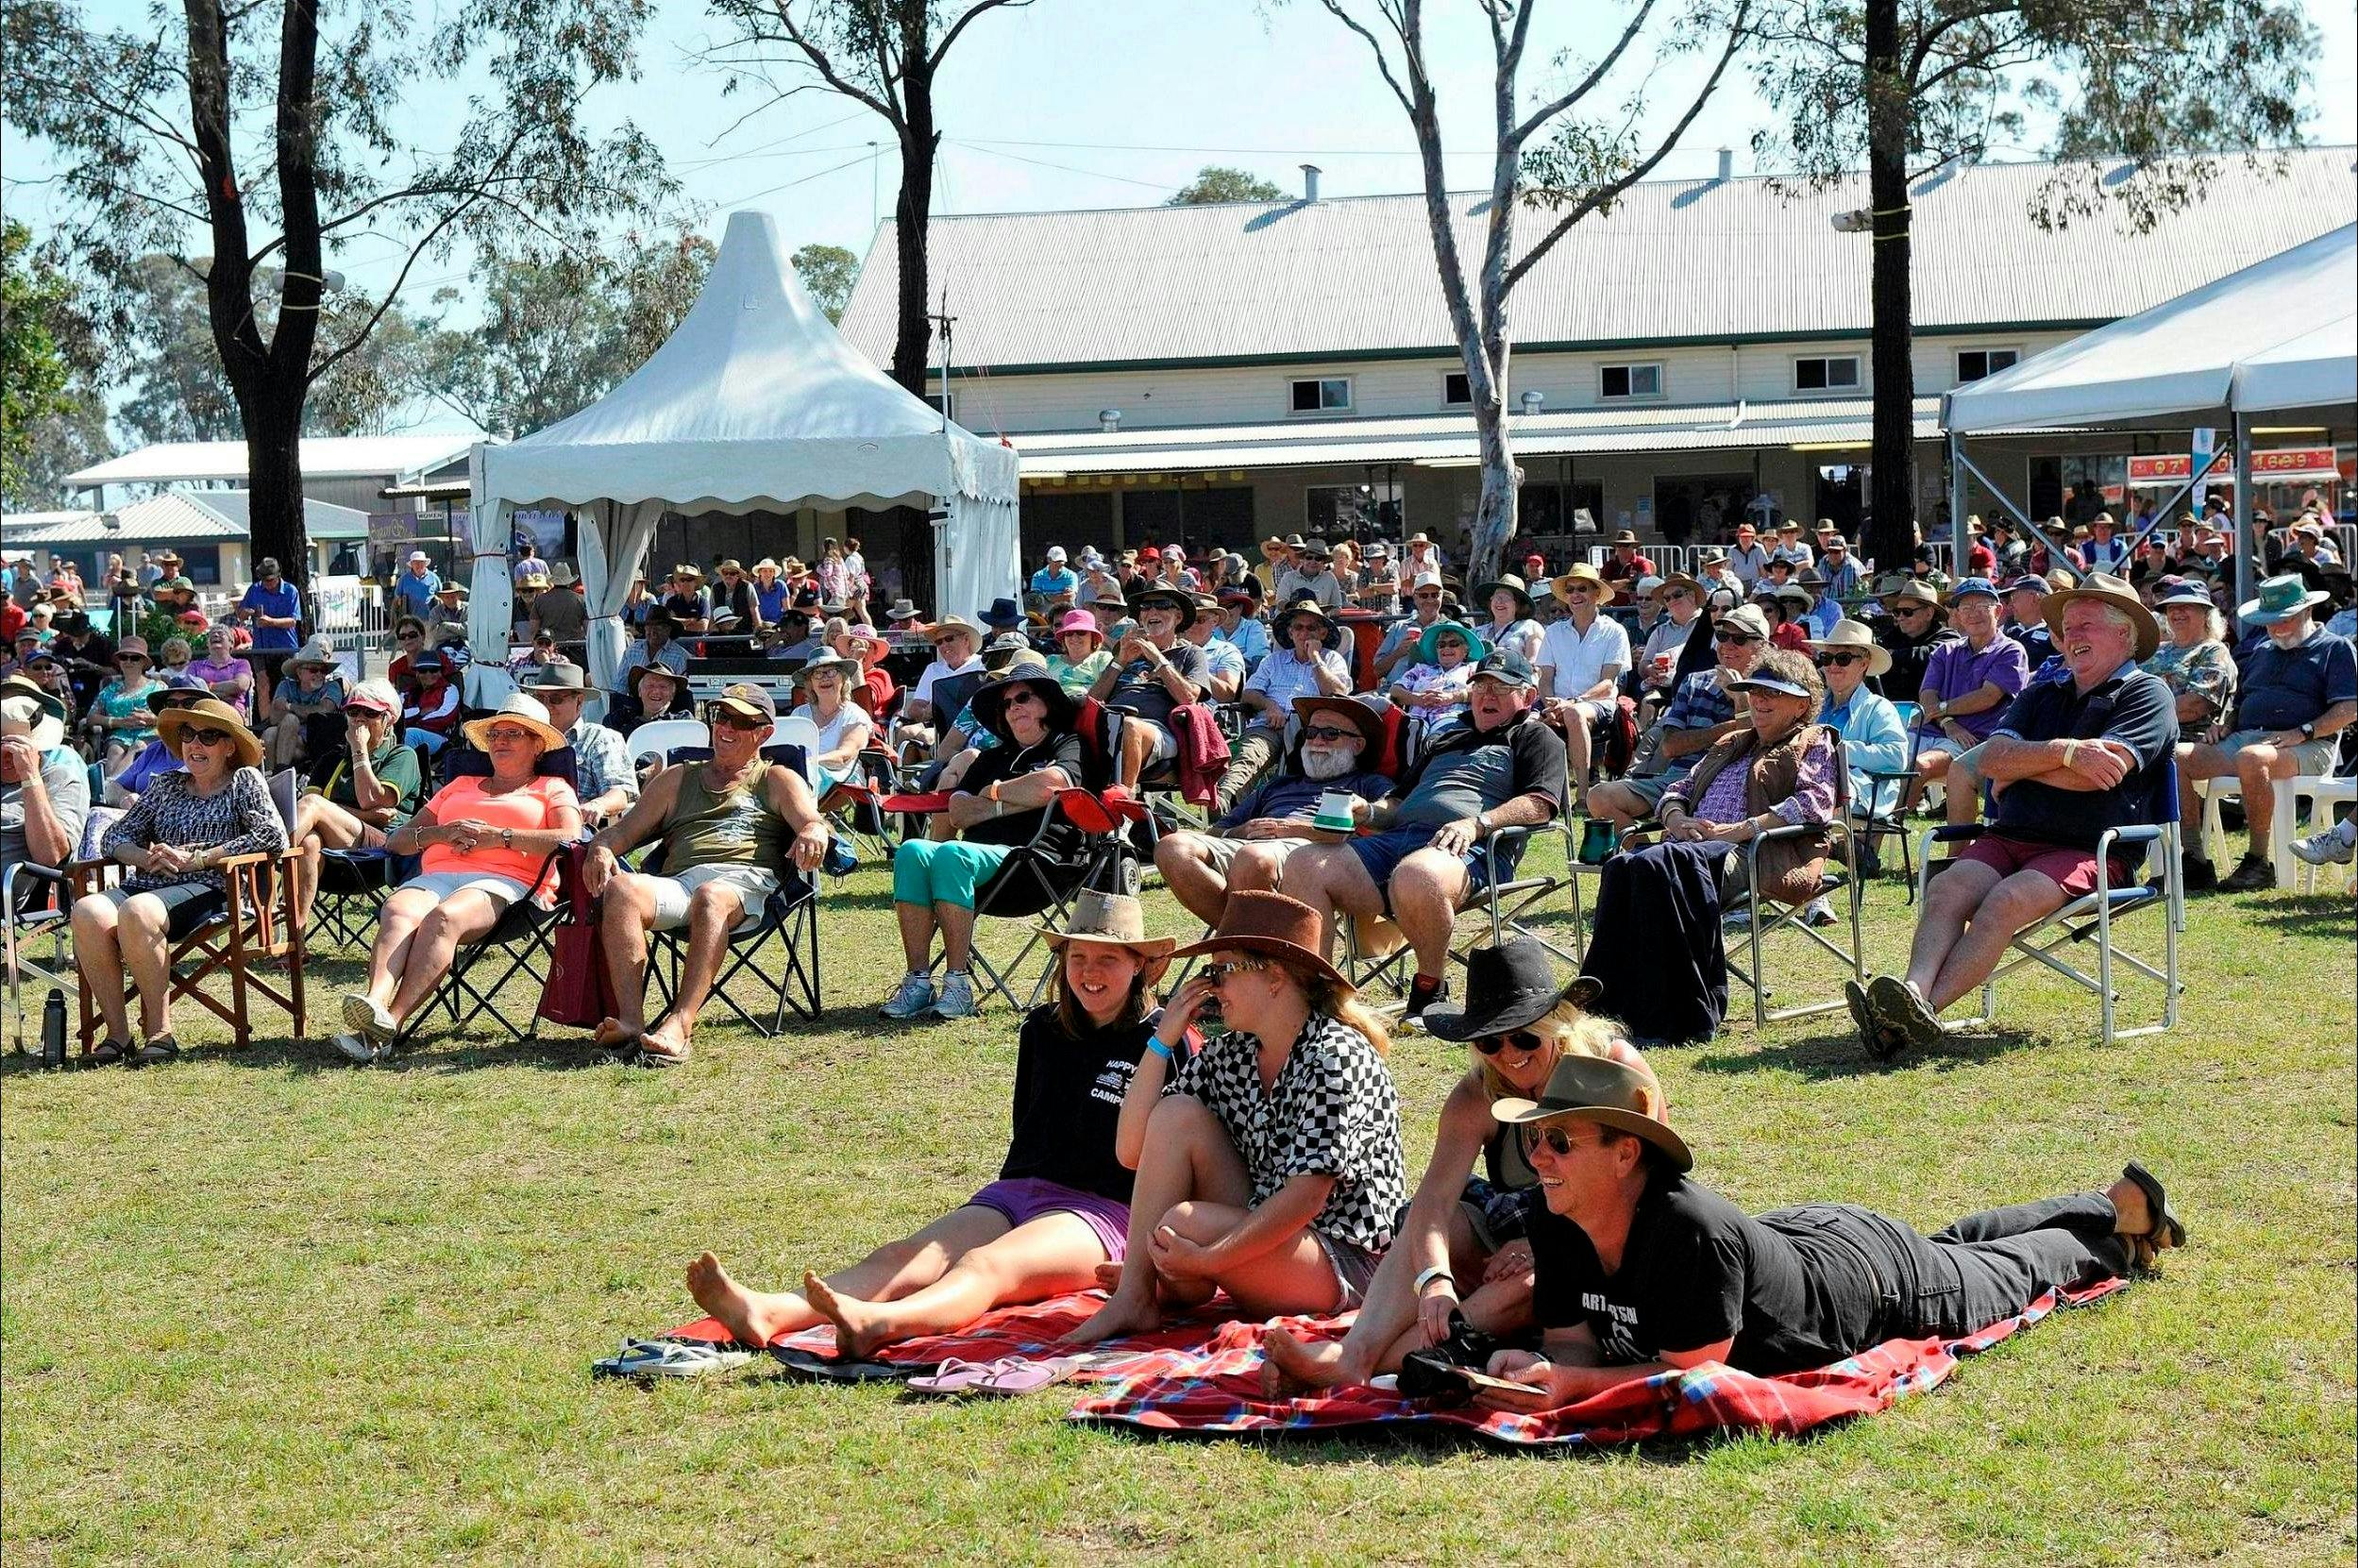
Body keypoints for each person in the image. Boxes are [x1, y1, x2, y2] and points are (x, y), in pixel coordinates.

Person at [1462, 1053, 2181, 1412]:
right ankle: (2103, 1204)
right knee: (1957, 1249)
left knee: (2000, 1276)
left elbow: (1692, 1378)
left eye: (1560, 1140)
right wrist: (1536, 1370)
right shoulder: (1556, 1214)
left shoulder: (1687, 1231)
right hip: (1801, 1239)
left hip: (1864, 1281)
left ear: (1626, 1154)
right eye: (1536, 1137)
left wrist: (1572, 1384)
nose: (1539, 1157)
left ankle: (2113, 1223)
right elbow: (1574, 1346)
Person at [687, 890, 1176, 1356]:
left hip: (1102, 1211)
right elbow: (1027, 1127)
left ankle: (880, 1324)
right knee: (906, 1255)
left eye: (1108, 959)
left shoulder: (1164, 1044)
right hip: (1019, 1190)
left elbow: (1175, 1161)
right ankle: (770, 1311)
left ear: (1139, 966)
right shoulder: (1042, 1029)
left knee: (987, 1265)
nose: (1089, 972)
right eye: (1077, 957)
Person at [1261, 940, 1635, 1392]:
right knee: (1437, 1223)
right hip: (1516, 1237)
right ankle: (1359, 1352)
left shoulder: (1612, 1070)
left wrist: (1544, 1245)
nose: (1508, 1053)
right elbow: (1433, 1204)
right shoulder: (1478, 1093)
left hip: (1598, 1248)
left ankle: (1364, 1362)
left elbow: (1648, 1193)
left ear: (1559, 1025)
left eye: (1524, 1036)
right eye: (1490, 1040)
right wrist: (1434, 1278)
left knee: (1524, 1285)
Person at [1857, 575, 2179, 1055]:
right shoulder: (2042, 692)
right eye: (2067, 627)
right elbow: (1990, 760)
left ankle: (1915, 1016)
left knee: (2006, 900)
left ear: (2124, 633)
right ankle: (1912, 994)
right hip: (2010, 836)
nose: (2071, 636)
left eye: (2085, 625)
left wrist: (2025, 767)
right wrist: (2068, 753)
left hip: (2091, 847)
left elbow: (2101, 776)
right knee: (1946, 888)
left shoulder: (2146, 695)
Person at [1067, 890, 1406, 1344]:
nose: (1212, 987)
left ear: (1274, 977)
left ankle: (1163, 1286)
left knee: (1181, 1225)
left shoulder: (1335, 1055)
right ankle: (1137, 1294)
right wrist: (1162, 1041)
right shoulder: (1234, 1053)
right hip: (1275, 1235)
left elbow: (1306, 1198)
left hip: (1347, 1263)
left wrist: (1209, 1259)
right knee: (1174, 1116)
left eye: (1222, 971)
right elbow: (1131, 1150)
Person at [1281, 649, 1568, 1020]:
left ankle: (1429, 990)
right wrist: (1367, 810)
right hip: (1397, 840)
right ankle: (1320, 994)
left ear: (1527, 696)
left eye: (1500, 688)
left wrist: (1476, 824)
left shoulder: (1535, 736)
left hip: (1472, 846)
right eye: (1480, 687)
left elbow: (1539, 803)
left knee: (1417, 874)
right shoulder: (1446, 737)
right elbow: (1397, 801)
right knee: (1304, 862)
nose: (1487, 696)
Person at [1579, 649, 1841, 1043]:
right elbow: (1678, 788)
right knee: (1623, 866)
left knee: (1660, 865)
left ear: (1802, 704)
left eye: (1772, 693)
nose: (1759, 700)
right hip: (1688, 846)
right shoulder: (1733, 742)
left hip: (1756, 852)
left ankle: (1681, 1011)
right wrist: (1676, 819)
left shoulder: (1814, 741)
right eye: (1754, 691)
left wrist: (1737, 831)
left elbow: (1812, 804)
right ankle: (1609, 1005)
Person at [581, 683, 829, 1066]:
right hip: (681, 883)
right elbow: (623, 832)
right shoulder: (677, 778)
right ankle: (630, 1020)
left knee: (711, 895)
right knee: (623, 889)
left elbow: (812, 822)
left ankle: (681, 1022)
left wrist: (812, 833)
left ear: (764, 733)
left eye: (740, 722)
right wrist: (600, 847)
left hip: (744, 883)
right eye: (720, 717)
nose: (725, 727)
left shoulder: (776, 779)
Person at [333, 695, 583, 1063]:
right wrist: (442, 833)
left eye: (513, 734)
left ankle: (388, 1026)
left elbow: (570, 838)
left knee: (444, 918)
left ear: (537, 745)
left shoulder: (551, 788)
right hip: (439, 874)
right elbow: (397, 840)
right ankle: (375, 1001)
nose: (500, 741)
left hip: (508, 883)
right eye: (495, 734)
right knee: (398, 909)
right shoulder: (460, 784)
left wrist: (501, 837)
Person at [72, 698, 288, 1066]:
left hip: (215, 886)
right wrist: (145, 858)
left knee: (138, 911)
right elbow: (115, 836)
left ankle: (160, 1033)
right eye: (188, 734)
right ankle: (118, 1035)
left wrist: (199, 858)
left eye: (209, 736)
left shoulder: (243, 781)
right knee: (87, 911)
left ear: (230, 746)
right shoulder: (167, 784)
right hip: (152, 883)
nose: (195, 744)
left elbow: (272, 836)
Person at [879, 662, 1088, 1021]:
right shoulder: (993, 756)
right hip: (981, 868)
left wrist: (992, 794)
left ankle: (958, 985)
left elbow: (1051, 785)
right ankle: (918, 982)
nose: (1014, 708)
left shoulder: (1066, 744)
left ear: (1046, 703)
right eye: (1007, 704)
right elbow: (958, 811)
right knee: (912, 851)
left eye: (1023, 698)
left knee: (952, 854)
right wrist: (1015, 800)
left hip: (1035, 865)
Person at [2171, 574, 2356, 891]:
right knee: (2177, 756)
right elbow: (2242, 703)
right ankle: (2194, 860)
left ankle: (2258, 862)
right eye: (2271, 621)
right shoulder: (2262, 651)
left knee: (2252, 758)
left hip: (2309, 744)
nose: (2278, 628)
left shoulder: (2335, 648)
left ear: (2307, 612)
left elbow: (2350, 708)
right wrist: (2225, 725)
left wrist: (2303, 731)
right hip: (2247, 739)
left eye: (2285, 619)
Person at [1156, 697, 1393, 926]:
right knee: (1172, 848)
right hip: (1251, 845)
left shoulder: (1367, 783)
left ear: (1357, 745)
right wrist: (1240, 831)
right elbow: (1216, 831)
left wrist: (1290, 828)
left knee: (1253, 858)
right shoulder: (1278, 785)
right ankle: (1248, 940)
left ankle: (1247, 945)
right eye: (1311, 733)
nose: (1317, 741)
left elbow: (1392, 813)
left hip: (1313, 854)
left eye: (1330, 734)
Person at [1588, 602, 1771, 829]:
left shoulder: (1768, 689)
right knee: (1599, 796)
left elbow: (1753, 751)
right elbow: (1670, 747)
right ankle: (1643, 848)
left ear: (1763, 647)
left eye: (1740, 639)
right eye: (1723, 636)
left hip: (1728, 786)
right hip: (1677, 779)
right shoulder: (1694, 681)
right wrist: (1729, 728)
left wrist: (1740, 699)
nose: (1727, 645)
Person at [285, 679, 425, 926]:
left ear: (389, 719)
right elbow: (312, 807)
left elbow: (370, 799)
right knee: (309, 841)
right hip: (330, 852)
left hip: (379, 854)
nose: (359, 719)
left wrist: (359, 750)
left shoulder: (402, 755)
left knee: (315, 804)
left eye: (370, 713)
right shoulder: (332, 758)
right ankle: (297, 939)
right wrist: (366, 815)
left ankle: (261, 861)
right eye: (353, 711)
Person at [1904, 579, 2029, 813]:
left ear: (1998, 611)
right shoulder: (1945, 651)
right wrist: (1948, 723)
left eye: (1981, 606)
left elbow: (1987, 697)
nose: (1973, 613)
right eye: (1965, 607)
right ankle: (1863, 824)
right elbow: (1927, 696)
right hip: (1933, 732)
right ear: (1958, 615)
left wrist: (1940, 711)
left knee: (1919, 766)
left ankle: (1884, 827)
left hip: (1975, 742)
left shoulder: (2010, 650)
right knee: (1885, 760)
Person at [1221, 599, 1353, 808]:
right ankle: (1226, 801)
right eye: (1298, 628)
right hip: (1271, 725)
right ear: (1290, 633)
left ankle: (1295, 810)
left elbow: (1339, 693)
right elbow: (1249, 694)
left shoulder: (1331, 659)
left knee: (1312, 768)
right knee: (1250, 755)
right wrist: (1269, 705)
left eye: (1311, 628)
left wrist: (1315, 658)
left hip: (1313, 732)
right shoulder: (1273, 660)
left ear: (1322, 633)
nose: (1304, 633)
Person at [1808, 619, 1909, 865]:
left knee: (1812, 787)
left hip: (1861, 790)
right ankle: (1840, 848)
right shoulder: (1814, 706)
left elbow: (1896, 757)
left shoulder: (1878, 708)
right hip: (1817, 783)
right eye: (1826, 658)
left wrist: (1837, 750)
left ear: (1864, 664)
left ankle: (1824, 849)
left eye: (1842, 658)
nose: (1832, 666)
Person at [1091, 587, 1209, 791]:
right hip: (1109, 725)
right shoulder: (1126, 653)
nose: (1152, 611)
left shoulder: (1191, 653)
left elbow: (1189, 698)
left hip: (1159, 732)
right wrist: (1120, 661)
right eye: (1146, 607)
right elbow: (1092, 701)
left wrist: (1157, 657)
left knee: (1130, 726)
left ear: (1178, 617)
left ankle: (1124, 798)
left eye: (1162, 605)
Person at [1537, 565, 1629, 805]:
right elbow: (1545, 679)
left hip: (1598, 703)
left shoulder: (1615, 631)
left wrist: (1572, 702)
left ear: (1597, 593)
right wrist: (1549, 705)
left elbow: (1607, 683)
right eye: (1570, 590)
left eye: (1582, 589)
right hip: (1557, 703)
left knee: (1575, 714)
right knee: (1525, 720)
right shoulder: (1553, 632)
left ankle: (1582, 796)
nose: (1575, 595)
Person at [520, 662, 637, 824]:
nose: (547, 705)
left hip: (575, 826)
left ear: (579, 702)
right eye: (540, 698)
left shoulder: (598, 738)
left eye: (556, 699)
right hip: (525, 821)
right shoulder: (523, 736)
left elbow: (620, 791)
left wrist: (598, 805)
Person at [1, 676, 88, 882]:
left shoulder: (60, 778)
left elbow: (50, 856)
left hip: (10, 891)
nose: (7, 758)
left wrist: (29, 775)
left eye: (13, 750)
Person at [2146, 578, 2237, 739]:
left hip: (2182, 738)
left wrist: (2139, 713)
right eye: (2171, 607)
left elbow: (2194, 706)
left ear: (2206, 614)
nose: (2177, 612)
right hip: (2139, 730)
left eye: (2186, 606)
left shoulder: (2213, 651)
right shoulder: (2157, 649)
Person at [897, 614, 986, 758]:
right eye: (939, 642)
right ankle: (906, 774)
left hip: (970, 725)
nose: (944, 645)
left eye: (949, 638)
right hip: (936, 724)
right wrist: (927, 712)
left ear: (966, 639)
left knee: (925, 737)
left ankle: (936, 771)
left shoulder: (982, 665)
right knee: (905, 732)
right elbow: (914, 708)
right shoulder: (933, 669)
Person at [786, 654, 875, 794]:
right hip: (799, 775)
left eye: (832, 672)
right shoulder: (800, 714)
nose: (824, 678)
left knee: (800, 777)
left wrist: (809, 761)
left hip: (843, 781)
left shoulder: (855, 714)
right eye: (817, 673)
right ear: (810, 683)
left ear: (843, 678)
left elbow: (844, 757)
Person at [261, 638, 346, 773]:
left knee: (290, 719)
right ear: (299, 673)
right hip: (289, 741)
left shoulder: (332, 687)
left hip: (314, 745)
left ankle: (279, 773)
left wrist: (290, 707)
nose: (319, 674)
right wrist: (305, 713)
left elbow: (324, 710)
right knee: (269, 733)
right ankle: (271, 777)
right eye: (313, 670)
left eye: (323, 670)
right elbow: (275, 718)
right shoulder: (286, 685)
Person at [1387, 618, 1484, 734]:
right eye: (1441, 644)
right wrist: (1417, 699)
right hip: (1416, 718)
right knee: (1410, 730)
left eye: (1453, 644)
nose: (1446, 648)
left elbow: (1485, 691)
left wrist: (1453, 697)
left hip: (1452, 719)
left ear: (1465, 650)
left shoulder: (1473, 668)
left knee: (1438, 734)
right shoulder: (1421, 669)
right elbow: (1395, 690)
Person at [88, 637, 165, 778]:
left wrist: (152, 718)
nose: (128, 661)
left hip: (150, 735)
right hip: (118, 736)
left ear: (143, 662)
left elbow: (173, 715)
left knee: (138, 747)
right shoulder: (109, 689)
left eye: (135, 658)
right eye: (124, 657)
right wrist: (119, 722)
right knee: (115, 751)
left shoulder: (158, 687)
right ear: (119, 662)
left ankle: (111, 784)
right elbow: (91, 718)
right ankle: (111, 787)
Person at [1872, 578, 1953, 703]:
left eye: (1907, 612)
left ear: (1929, 614)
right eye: (1897, 612)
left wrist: (1891, 655)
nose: (1900, 617)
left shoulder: (1948, 637)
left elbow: (1935, 654)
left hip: (1931, 712)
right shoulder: (1891, 637)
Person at [235, 557, 303, 692]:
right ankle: (265, 708)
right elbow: (240, 615)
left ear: (278, 575)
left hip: (285, 648)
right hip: (261, 648)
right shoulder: (254, 590)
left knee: (288, 684)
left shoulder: (291, 591)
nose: (267, 583)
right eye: (264, 580)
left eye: (271, 580)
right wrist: (246, 612)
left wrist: (271, 622)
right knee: (262, 683)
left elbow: (292, 621)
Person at [1373, 572, 1449, 683]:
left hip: (1434, 689)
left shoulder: (1451, 629)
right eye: (1424, 595)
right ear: (1415, 597)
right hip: (1392, 688)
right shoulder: (1399, 627)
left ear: (1442, 597)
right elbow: (1377, 671)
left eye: (1435, 595)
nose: (1430, 600)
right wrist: (1399, 652)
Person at [1182, 592, 1247, 704]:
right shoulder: (1174, 647)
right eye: (1189, 620)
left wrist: (1195, 669)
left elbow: (1229, 695)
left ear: (1215, 621)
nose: (1192, 625)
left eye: (1199, 620)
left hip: (1206, 711)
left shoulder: (1226, 651)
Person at [399, 648, 463, 755]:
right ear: (417, 673)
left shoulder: (449, 689)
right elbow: (396, 714)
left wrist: (414, 721)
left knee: (410, 734)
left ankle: (408, 766)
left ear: (440, 672)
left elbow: (446, 716)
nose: (428, 674)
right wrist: (419, 712)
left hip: (438, 735)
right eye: (423, 670)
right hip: (407, 730)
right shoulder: (407, 692)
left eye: (433, 670)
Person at [1474, 573, 1544, 666]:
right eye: (1497, 597)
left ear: (1518, 604)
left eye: (1506, 597)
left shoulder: (1531, 628)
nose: (1499, 601)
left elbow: (1534, 665)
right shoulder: (1476, 632)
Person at [1042, 608, 1111, 698]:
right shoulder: (1050, 660)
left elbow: (1106, 689)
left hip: (1088, 704)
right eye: (1069, 633)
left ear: (1093, 636)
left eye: (1081, 632)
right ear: (1064, 638)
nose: (1074, 638)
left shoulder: (1102, 658)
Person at [1213, 582, 1272, 671]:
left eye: (1230, 606)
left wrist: (1223, 667)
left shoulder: (1253, 627)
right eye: (1221, 607)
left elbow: (1256, 658)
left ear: (1240, 608)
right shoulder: (1210, 628)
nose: (1226, 611)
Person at [2003, 573, 2057, 666]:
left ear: (2034, 598)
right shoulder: (2010, 633)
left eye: (2014, 598)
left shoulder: (2054, 637)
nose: (2010, 605)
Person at [530, 564, 588, 647]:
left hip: (549, 646)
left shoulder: (540, 600)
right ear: (569, 581)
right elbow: (588, 628)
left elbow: (534, 631)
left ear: (553, 581)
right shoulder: (580, 600)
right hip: (575, 647)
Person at [391, 551, 441, 618]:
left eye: (421, 562)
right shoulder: (404, 579)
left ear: (425, 563)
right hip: (410, 620)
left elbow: (441, 596)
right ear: (411, 564)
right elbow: (397, 597)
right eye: (416, 563)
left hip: (431, 619)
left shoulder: (434, 578)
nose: (419, 565)